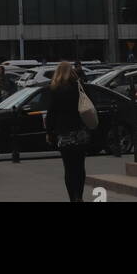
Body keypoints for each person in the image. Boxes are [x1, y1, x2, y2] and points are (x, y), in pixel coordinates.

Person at [45, 60, 89, 203]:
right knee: (80, 166)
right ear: (71, 72)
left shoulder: (55, 89)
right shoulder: (79, 86)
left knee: (69, 168)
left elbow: (51, 113)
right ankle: (80, 196)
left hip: (64, 133)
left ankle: (72, 197)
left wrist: (49, 132)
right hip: (79, 131)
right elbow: (88, 105)